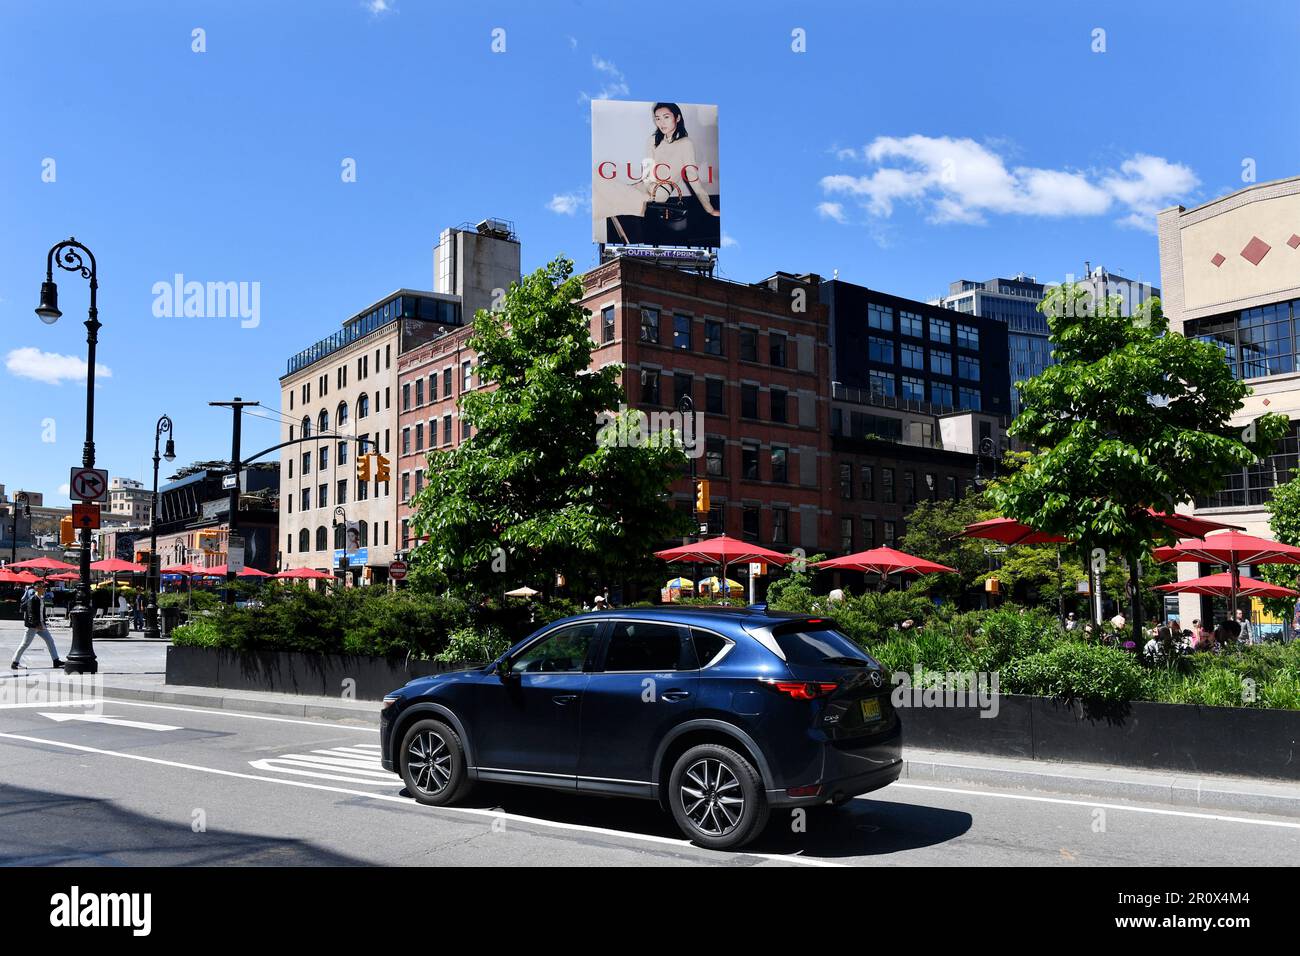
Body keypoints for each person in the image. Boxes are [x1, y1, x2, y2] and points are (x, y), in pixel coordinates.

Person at [603, 102, 721, 245]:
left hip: (661, 191)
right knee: (609, 197)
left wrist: (709, 209)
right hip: (647, 186)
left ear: (677, 118)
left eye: (666, 117)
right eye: (657, 118)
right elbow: (647, 170)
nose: (661, 122)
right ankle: (629, 244)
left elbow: (692, 177)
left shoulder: (685, 143)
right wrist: (647, 186)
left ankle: (634, 245)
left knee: (624, 205)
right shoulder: (652, 140)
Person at [11, 584, 62, 670]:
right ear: (37, 589)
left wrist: (43, 623)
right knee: (25, 644)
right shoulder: (32, 599)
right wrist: (37, 625)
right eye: (43, 588)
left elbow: (41, 612)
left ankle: (56, 661)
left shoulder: (41, 598)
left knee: (50, 641)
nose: (45, 589)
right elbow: (31, 614)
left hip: (41, 625)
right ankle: (15, 662)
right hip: (33, 626)